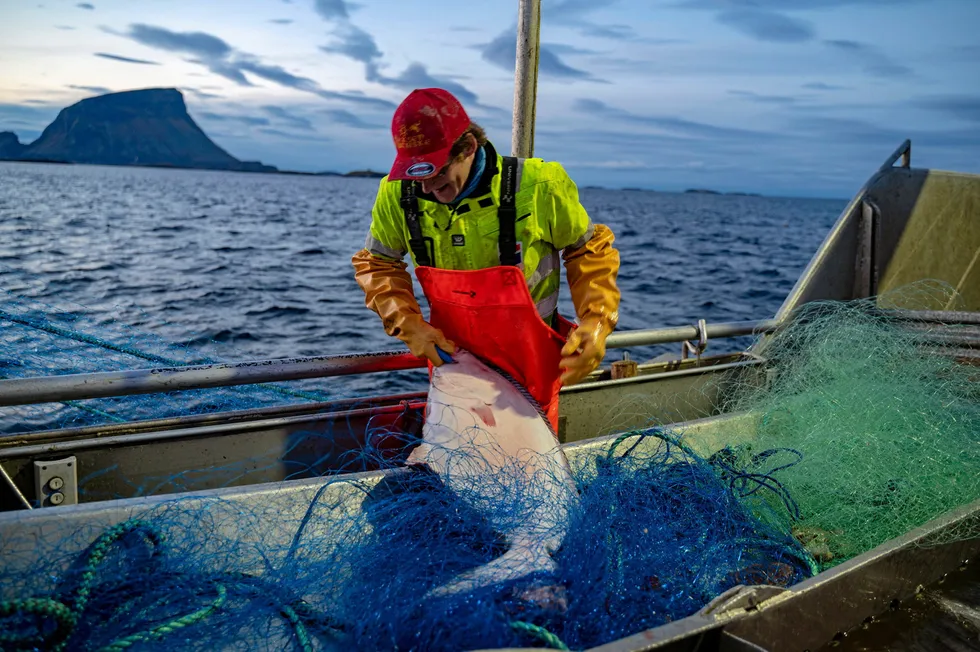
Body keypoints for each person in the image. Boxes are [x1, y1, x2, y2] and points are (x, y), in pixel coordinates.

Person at [351, 87, 620, 431]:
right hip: (453, 365)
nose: (426, 190)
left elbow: (588, 250)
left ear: (467, 149)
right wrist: (410, 325)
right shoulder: (397, 191)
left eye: (436, 176)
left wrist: (595, 323)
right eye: (415, 177)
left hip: (530, 370)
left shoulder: (540, 184)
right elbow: (378, 263)